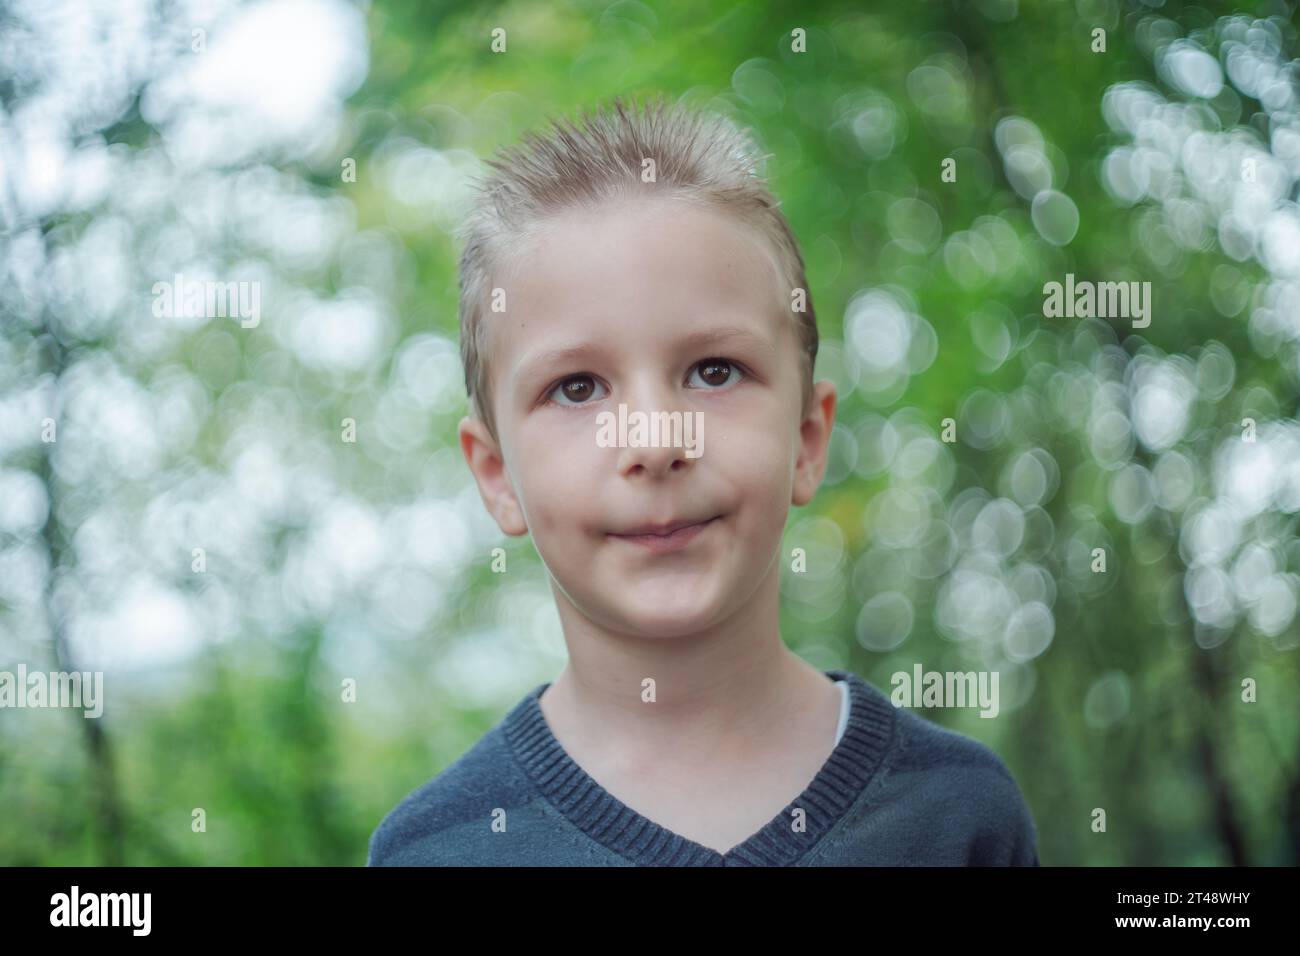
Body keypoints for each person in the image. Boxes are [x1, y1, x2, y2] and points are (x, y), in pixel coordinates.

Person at [368, 94, 1039, 866]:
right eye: (578, 388)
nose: (656, 442)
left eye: (714, 371)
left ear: (807, 440)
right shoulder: (437, 851)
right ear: (497, 476)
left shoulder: (956, 813)